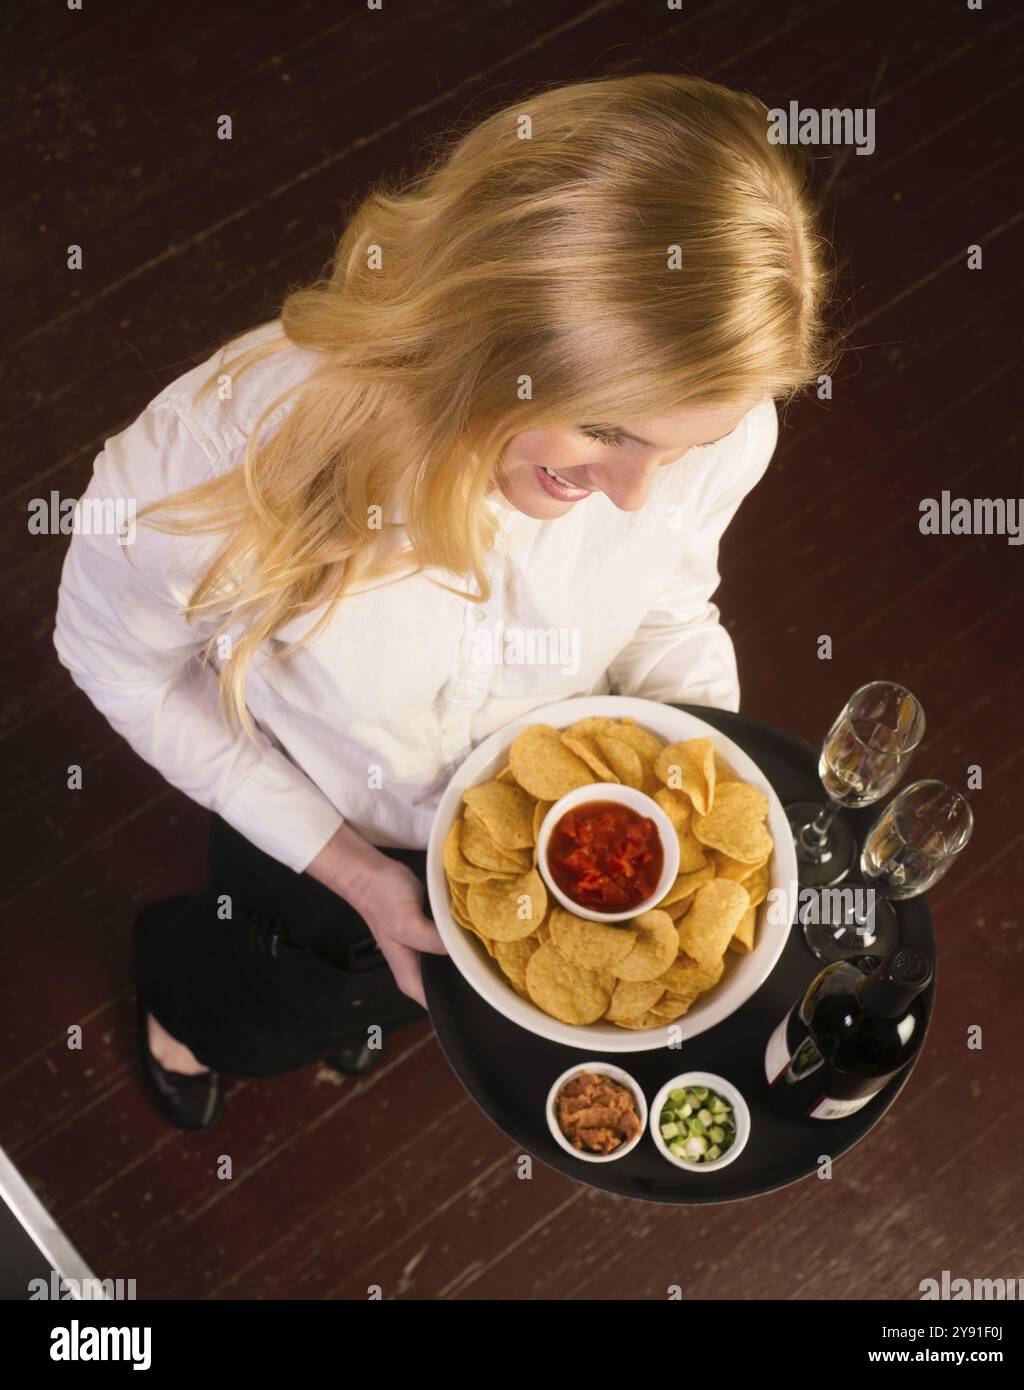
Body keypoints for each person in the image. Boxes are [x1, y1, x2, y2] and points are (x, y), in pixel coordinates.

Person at [52, 72, 838, 1131]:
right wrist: (358, 875)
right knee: (255, 996)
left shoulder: (719, 424)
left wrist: (708, 799)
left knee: (377, 1003)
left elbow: (669, 602)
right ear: (495, 322)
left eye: (683, 447)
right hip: (317, 828)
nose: (639, 492)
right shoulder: (209, 464)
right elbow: (117, 668)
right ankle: (186, 1023)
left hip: (526, 852)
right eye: (607, 430)